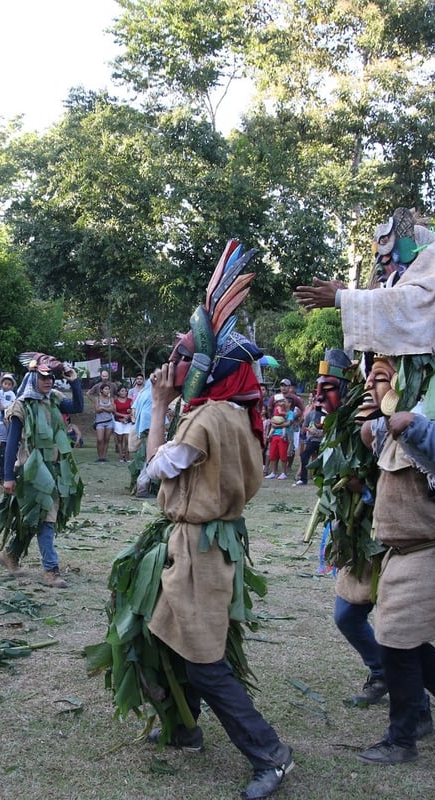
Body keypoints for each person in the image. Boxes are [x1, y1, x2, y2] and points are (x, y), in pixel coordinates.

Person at [131, 240, 293, 799]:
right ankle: (183, 729)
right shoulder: (236, 415)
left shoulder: (202, 423)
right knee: (166, 640)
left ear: (206, 368)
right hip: (204, 544)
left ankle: (270, 754)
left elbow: (150, 473)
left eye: (180, 358)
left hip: (198, 550)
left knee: (203, 661)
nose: (172, 367)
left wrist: (157, 405)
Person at [355, 355, 435, 765]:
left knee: (395, 642)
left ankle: (403, 738)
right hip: (403, 553)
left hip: (431, 550)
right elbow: (369, 431)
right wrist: (378, 419)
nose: (371, 386)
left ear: (403, 382)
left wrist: (415, 423)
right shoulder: (382, 428)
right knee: (401, 642)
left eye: (380, 378)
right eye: (369, 380)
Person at [295, 208, 435, 446]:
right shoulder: (428, 279)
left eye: (388, 258)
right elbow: (394, 309)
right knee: (376, 432)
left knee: (414, 435)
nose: (382, 266)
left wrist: (343, 298)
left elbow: (406, 305)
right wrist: (351, 297)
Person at [0, 353, 83, 588]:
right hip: (30, 471)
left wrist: (74, 381)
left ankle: (10, 554)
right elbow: (11, 444)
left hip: (54, 468)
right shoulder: (20, 407)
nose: (48, 381)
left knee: (36, 517)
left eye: (51, 377)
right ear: (32, 378)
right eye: (43, 377)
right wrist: (8, 476)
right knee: (45, 519)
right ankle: (51, 570)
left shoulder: (54, 399)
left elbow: (78, 406)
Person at [264, 397, 292, 479]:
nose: (283, 403)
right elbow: (273, 420)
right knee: (272, 454)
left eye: (285, 401)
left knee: (283, 455)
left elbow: (288, 423)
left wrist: (277, 425)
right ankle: (273, 472)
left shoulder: (290, 413)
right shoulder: (277, 409)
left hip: (283, 436)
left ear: (289, 404)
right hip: (274, 436)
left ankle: (284, 473)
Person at [92, 382, 116, 462]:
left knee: (107, 439)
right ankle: (100, 456)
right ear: (101, 390)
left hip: (109, 421)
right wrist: (107, 408)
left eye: (108, 389)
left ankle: (104, 456)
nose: (108, 390)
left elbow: (112, 410)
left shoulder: (111, 399)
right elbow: (97, 410)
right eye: (106, 389)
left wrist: (102, 408)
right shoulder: (97, 399)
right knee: (100, 439)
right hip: (99, 422)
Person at [113, 385, 133, 462]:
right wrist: (123, 416)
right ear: (118, 392)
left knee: (127, 440)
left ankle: (127, 457)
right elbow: (114, 412)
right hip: (118, 422)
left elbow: (133, 411)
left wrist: (128, 415)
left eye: (125, 391)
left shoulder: (130, 400)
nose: (124, 392)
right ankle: (121, 456)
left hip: (128, 422)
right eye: (122, 391)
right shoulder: (115, 401)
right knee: (119, 440)